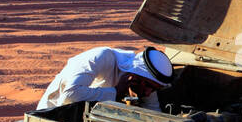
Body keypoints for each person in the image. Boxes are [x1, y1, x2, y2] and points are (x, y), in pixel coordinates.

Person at [37, 45, 173, 111]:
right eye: (149, 87)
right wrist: (116, 92)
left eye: (154, 89)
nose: (148, 93)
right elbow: (70, 94)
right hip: (54, 115)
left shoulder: (145, 82)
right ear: (135, 76)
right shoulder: (101, 57)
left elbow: (153, 110)